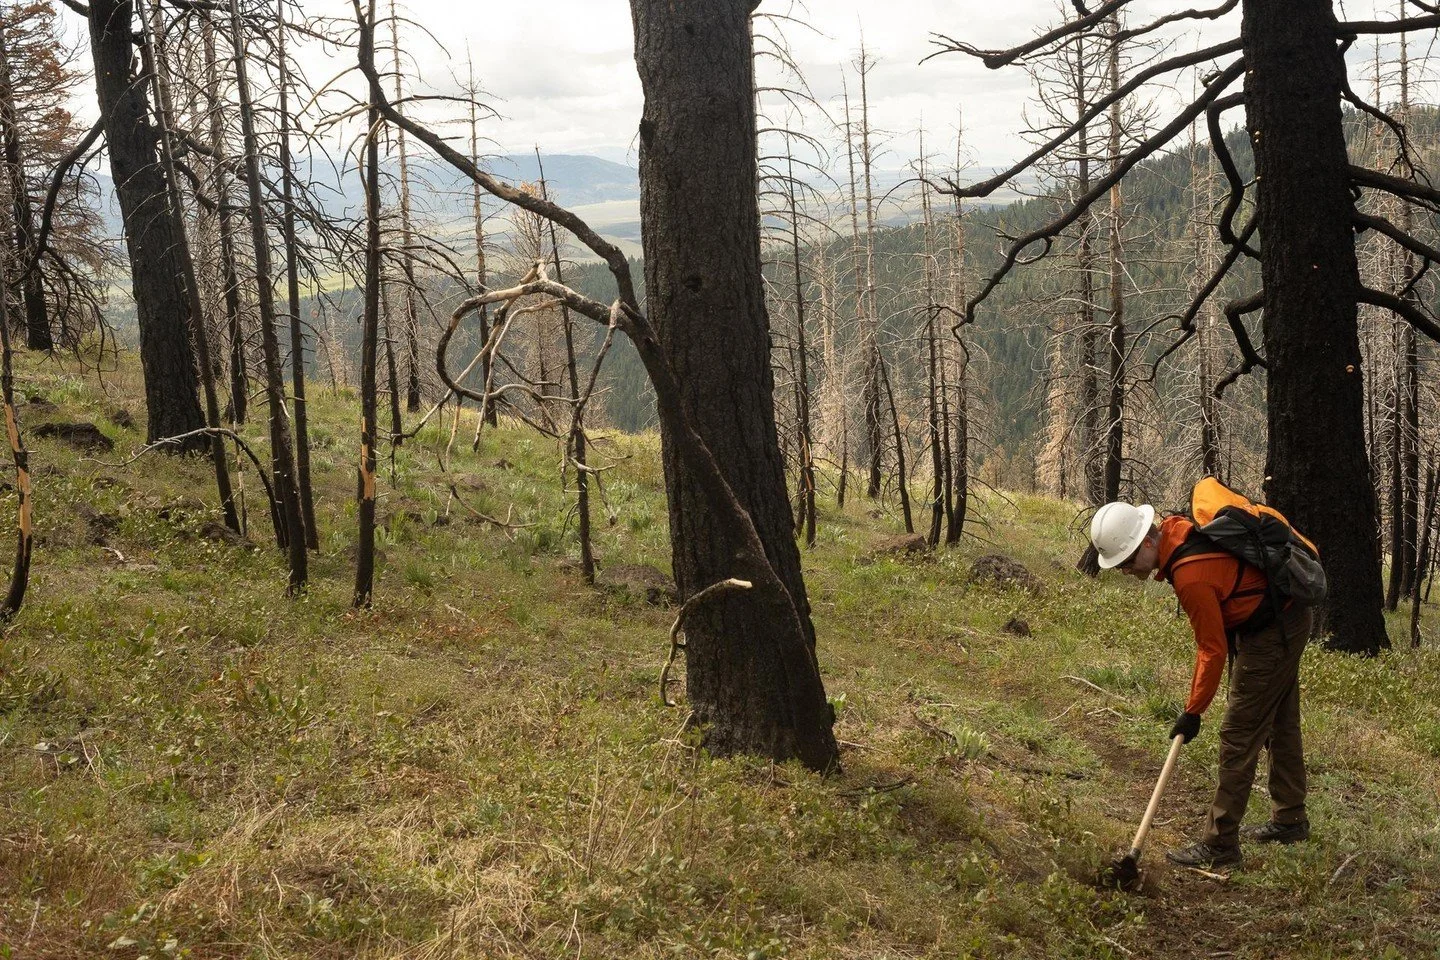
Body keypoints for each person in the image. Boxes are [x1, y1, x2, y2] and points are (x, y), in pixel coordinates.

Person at [1089, 500, 1314, 869]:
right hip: (1278, 617)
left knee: (1239, 732)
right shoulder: (1176, 532)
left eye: (1128, 560)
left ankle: (1221, 843)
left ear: (1148, 542)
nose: (1127, 571)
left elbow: (1212, 650)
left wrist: (1192, 712)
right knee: (1279, 718)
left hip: (1274, 627)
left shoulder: (1189, 573)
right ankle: (1290, 818)